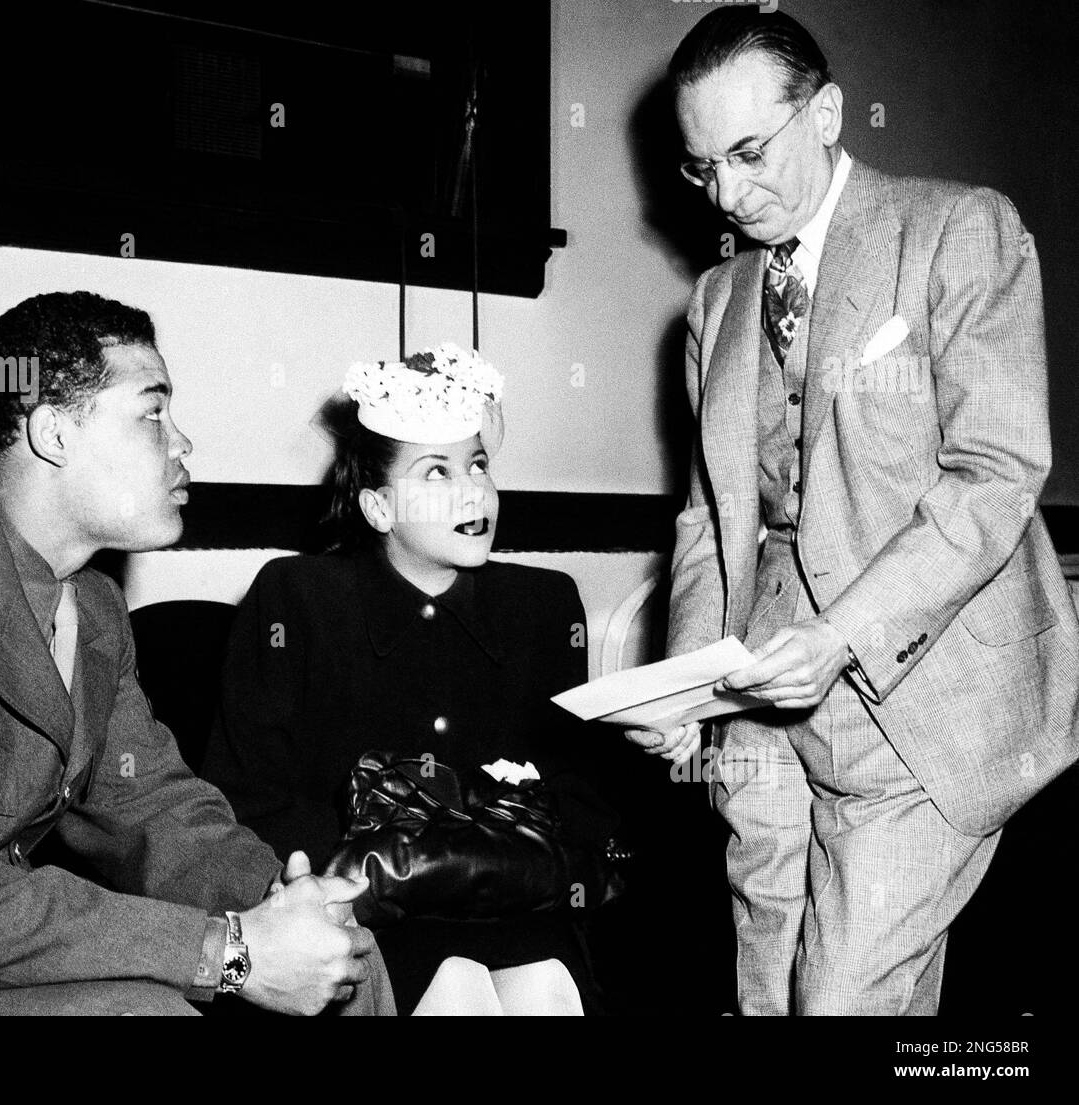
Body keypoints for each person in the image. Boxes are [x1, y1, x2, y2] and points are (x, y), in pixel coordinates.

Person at [631, 7, 1079, 1015]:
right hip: (763, 721)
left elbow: (997, 473)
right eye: (703, 170)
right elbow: (712, 516)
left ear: (826, 113)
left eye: (749, 153)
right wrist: (689, 683)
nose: (729, 194)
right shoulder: (714, 302)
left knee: (839, 999)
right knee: (764, 988)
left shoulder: (959, 229)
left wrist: (839, 636)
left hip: (925, 706)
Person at [0, 290, 393, 1016]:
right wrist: (228, 952)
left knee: (351, 957)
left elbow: (155, 809)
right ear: (55, 435)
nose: (183, 444)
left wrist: (284, 902)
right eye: (153, 412)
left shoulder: (93, 606)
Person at [201, 344, 618, 1013]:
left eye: (477, 464)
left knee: (547, 984)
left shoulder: (543, 606)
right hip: (368, 909)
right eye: (437, 472)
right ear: (378, 507)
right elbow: (245, 795)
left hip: (515, 899)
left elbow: (576, 790)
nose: (473, 490)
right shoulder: (297, 598)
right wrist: (375, 859)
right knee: (455, 988)